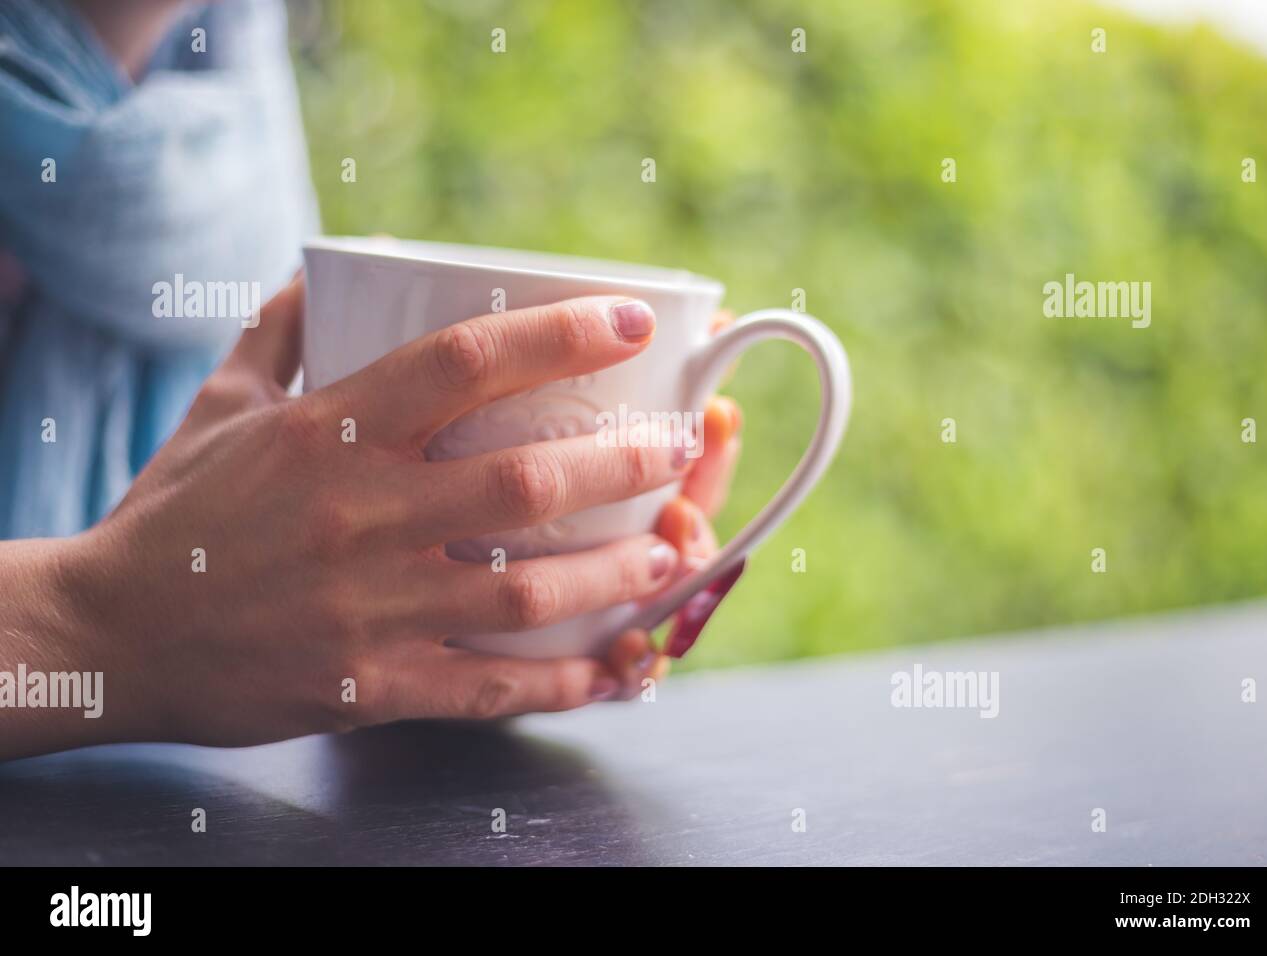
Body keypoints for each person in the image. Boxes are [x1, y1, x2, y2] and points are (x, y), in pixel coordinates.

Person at [0, 2, 743, 760]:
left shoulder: (227, 82)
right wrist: (100, 623)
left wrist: (420, 640)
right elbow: (162, 616)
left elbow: (265, 593)